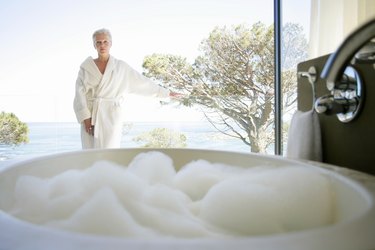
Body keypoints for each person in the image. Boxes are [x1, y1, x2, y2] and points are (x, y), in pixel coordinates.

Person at [73, 28, 178, 149]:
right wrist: (85, 117)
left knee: (109, 152)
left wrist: (166, 93)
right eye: (98, 42)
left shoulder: (120, 67)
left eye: (105, 41)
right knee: (89, 153)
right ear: (94, 45)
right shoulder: (86, 68)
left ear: (111, 44)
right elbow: (79, 94)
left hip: (111, 115)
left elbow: (142, 82)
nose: (102, 45)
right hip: (91, 116)